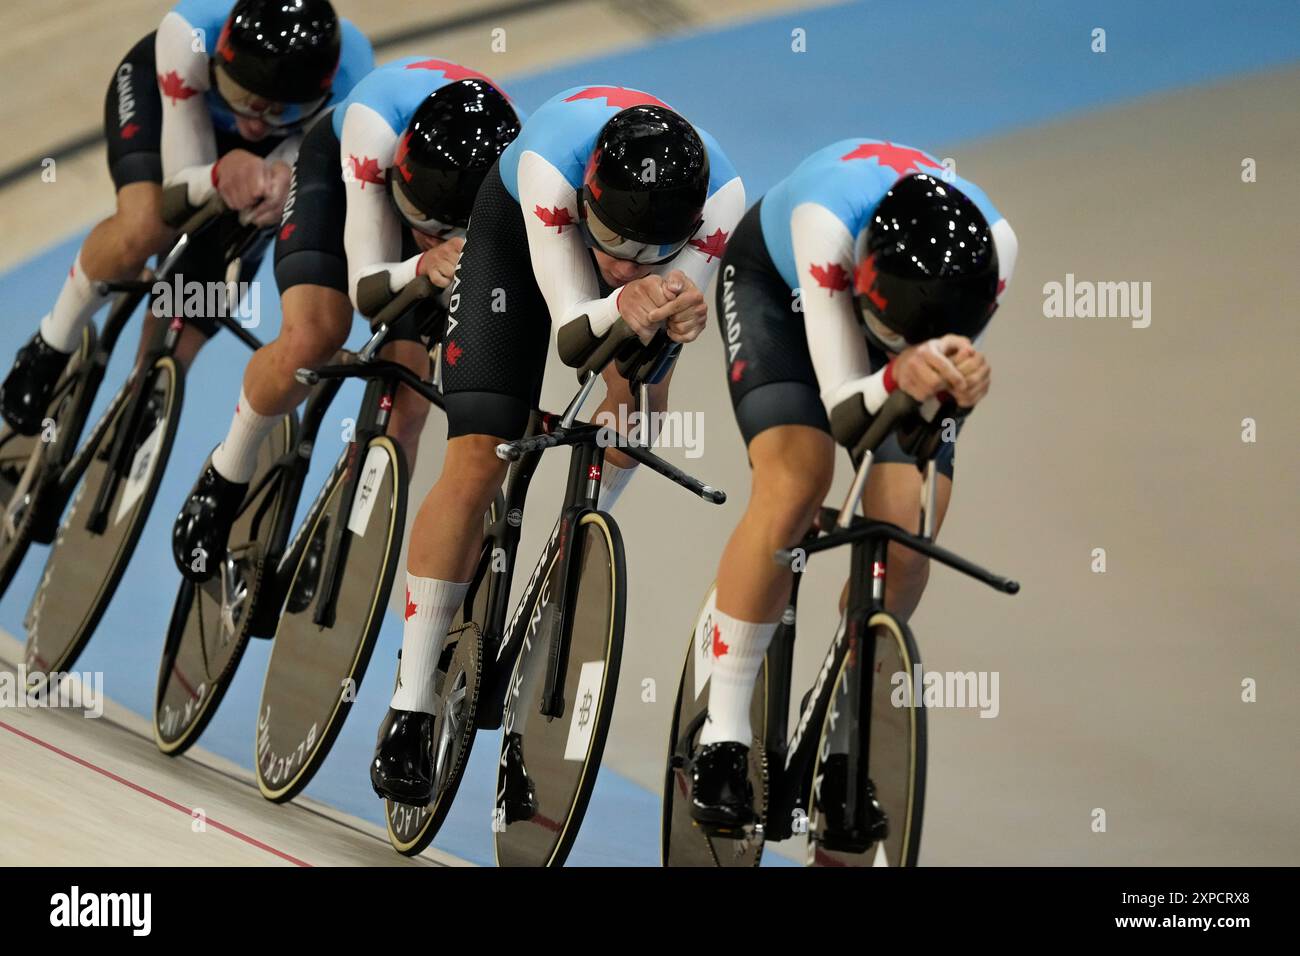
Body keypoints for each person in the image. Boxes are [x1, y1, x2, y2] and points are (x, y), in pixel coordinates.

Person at [369, 86, 745, 807]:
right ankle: (410, 705)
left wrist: (667, 307)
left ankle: (572, 539)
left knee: (640, 404)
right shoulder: (549, 167)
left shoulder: (720, 200)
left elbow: (653, 325)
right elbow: (576, 331)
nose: (624, 262)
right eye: (613, 244)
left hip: (620, 243)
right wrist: (627, 296)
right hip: (515, 240)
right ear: (590, 202)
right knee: (479, 453)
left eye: (647, 253)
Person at [688, 141, 1018, 833]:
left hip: (902, 339)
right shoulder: (825, 224)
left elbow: (928, 399)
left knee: (906, 540)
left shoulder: (994, 251)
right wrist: (902, 374)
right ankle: (721, 733)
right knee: (796, 484)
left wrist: (957, 388)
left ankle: (838, 731)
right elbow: (846, 408)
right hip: (780, 291)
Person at [171, 59, 523, 581]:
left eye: (435, 227)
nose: (421, 232)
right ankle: (227, 473)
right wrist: (425, 259)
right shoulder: (372, 130)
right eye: (416, 219)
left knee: (410, 396)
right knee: (314, 335)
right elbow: (367, 289)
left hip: (455, 224)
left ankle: (348, 534)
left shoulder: (514, 183)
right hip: (343, 182)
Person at [0, 0, 372, 436]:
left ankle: (147, 390)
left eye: (280, 108)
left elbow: (305, 163)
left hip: (283, 146)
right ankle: (50, 343)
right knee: (148, 225)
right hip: (172, 105)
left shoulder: (353, 85)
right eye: (243, 97)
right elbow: (180, 191)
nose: (255, 123)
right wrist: (219, 173)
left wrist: (281, 181)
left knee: (204, 288)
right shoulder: (190, 36)